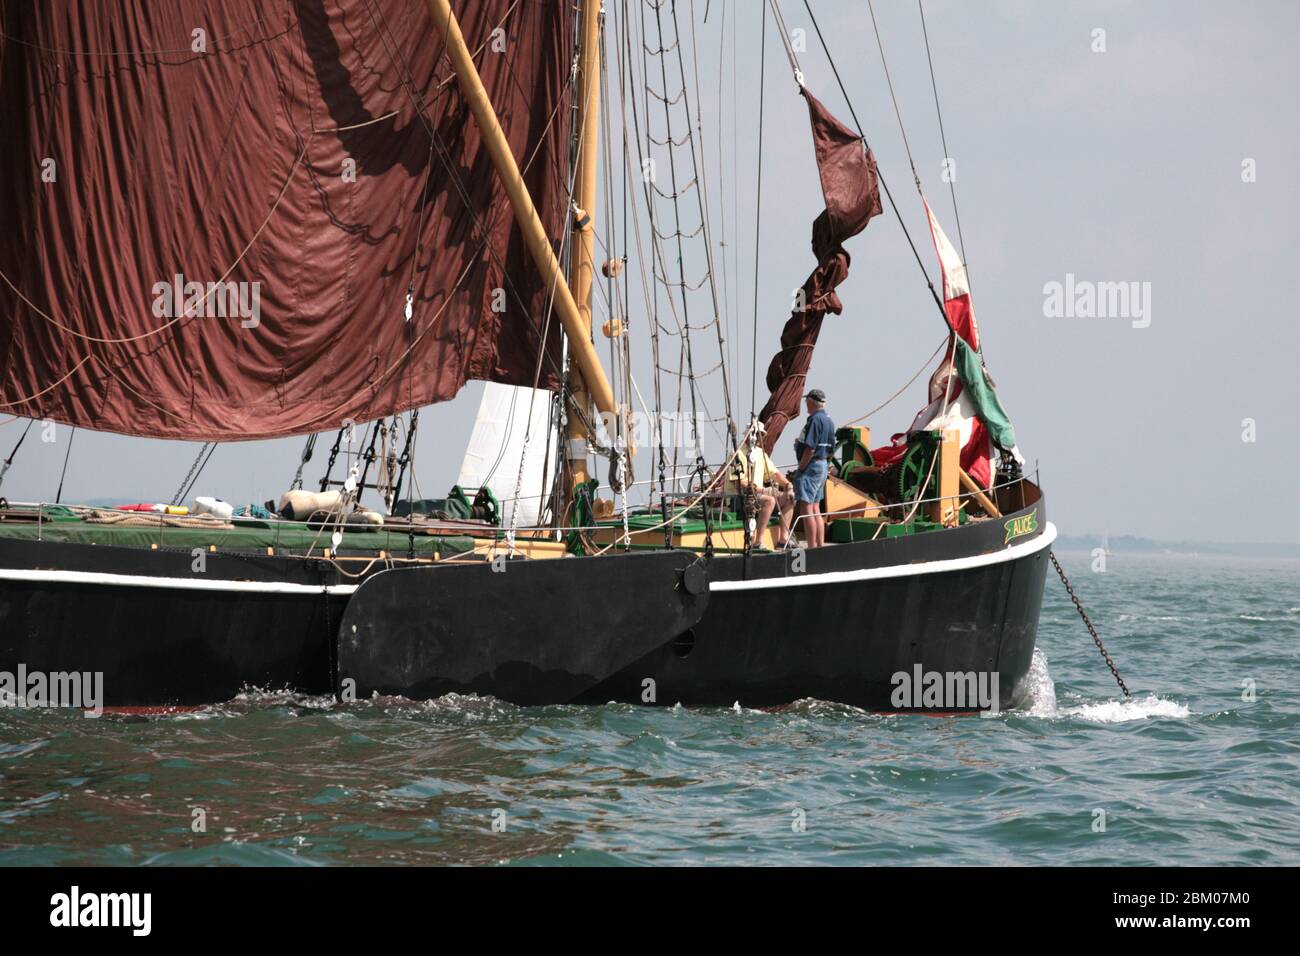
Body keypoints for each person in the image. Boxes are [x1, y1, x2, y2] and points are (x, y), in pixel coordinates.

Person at [722, 422, 794, 548]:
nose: (756, 437)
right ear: (748, 435)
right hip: (738, 498)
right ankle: (758, 542)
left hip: (758, 495)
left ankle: (783, 539)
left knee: (790, 498)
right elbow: (739, 482)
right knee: (769, 501)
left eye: (759, 434)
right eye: (754, 434)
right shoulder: (737, 454)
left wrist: (788, 485)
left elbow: (774, 473)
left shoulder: (760, 453)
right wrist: (765, 491)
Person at [792, 388, 835, 548]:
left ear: (811, 402)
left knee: (807, 507)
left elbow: (810, 448)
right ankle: (819, 545)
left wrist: (801, 469)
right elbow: (831, 448)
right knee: (815, 507)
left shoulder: (815, 420)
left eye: (806, 402)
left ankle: (811, 547)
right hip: (822, 464)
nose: (805, 406)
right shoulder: (829, 421)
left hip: (811, 466)